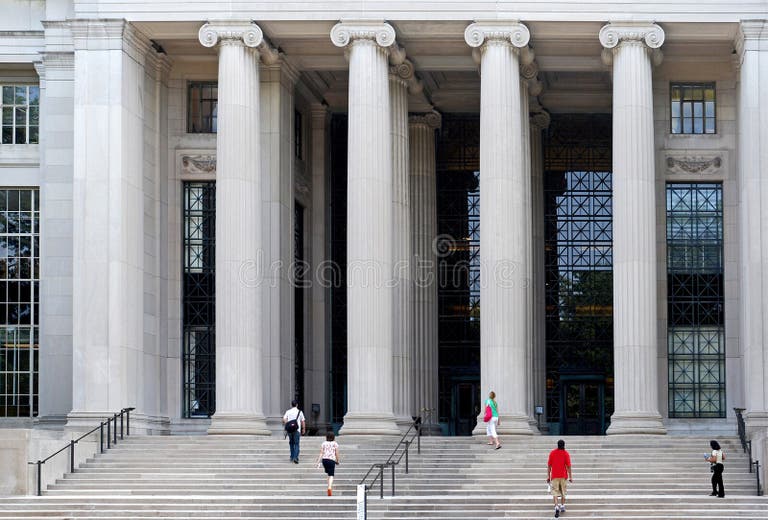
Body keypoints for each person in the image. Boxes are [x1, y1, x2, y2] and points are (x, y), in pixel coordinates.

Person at [547, 439, 573, 518]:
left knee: (555, 492)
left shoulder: (552, 453)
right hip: (563, 476)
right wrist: (571, 477)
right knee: (563, 492)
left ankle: (556, 506)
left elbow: (549, 466)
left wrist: (548, 476)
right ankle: (562, 506)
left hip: (554, 476)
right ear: (564, 445)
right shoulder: (566, 453)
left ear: (557, 445)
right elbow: (568, 466)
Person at [282, 400, 306, 464]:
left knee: (291, 443)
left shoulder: (288, 411)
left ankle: (292, 457)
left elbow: (284, 419)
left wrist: (288, 424)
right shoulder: (300, 412)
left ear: (291, 405)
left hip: (290, 430)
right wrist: (303, 429)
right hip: (297, 430)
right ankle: (295, 457)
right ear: (297, 405)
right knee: (297, 444)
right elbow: (303, 421)